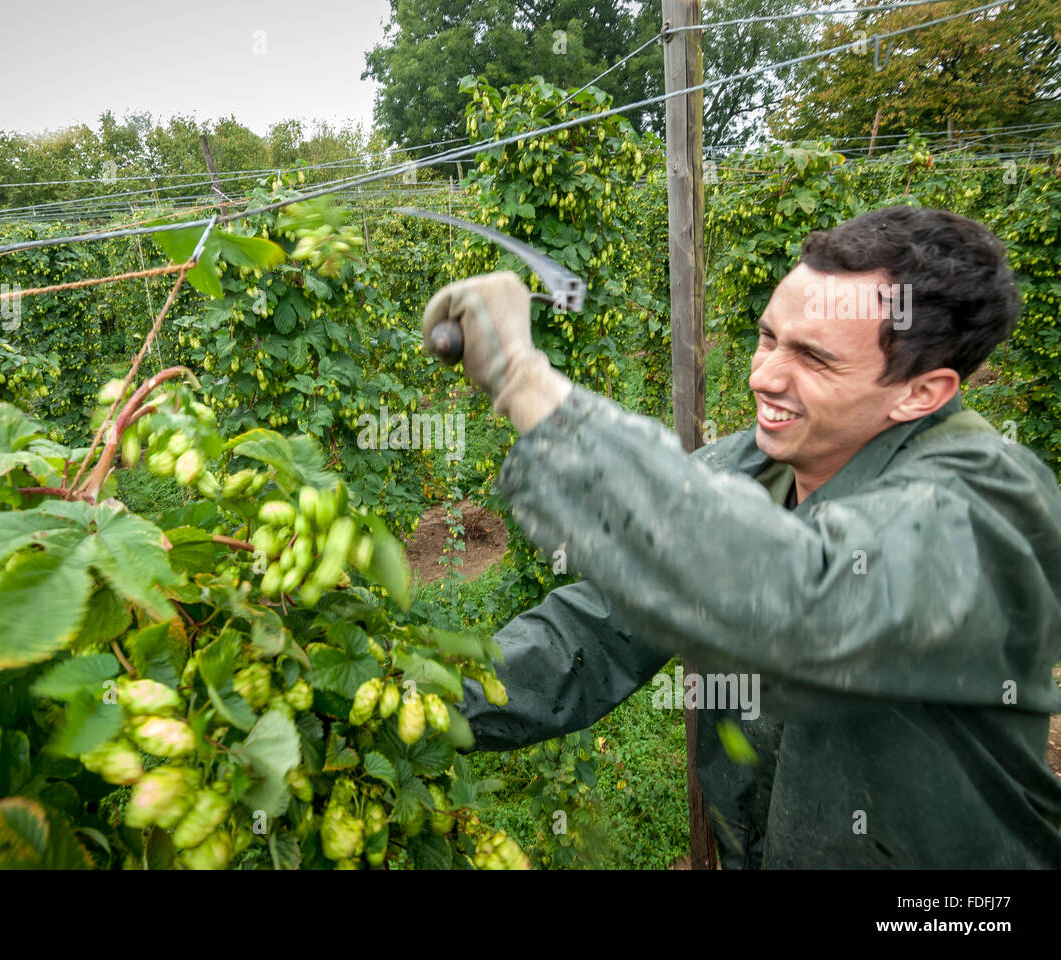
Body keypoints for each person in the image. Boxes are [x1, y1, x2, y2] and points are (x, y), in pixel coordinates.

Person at [425, 205, 1061, 868]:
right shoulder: (744, 470)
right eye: (768, 338)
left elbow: (805, 604)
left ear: (921, 393)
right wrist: (419, 696)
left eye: (814, 359)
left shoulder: (988, 504)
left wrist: (530, 386)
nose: (762, 376)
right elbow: (598, 629)